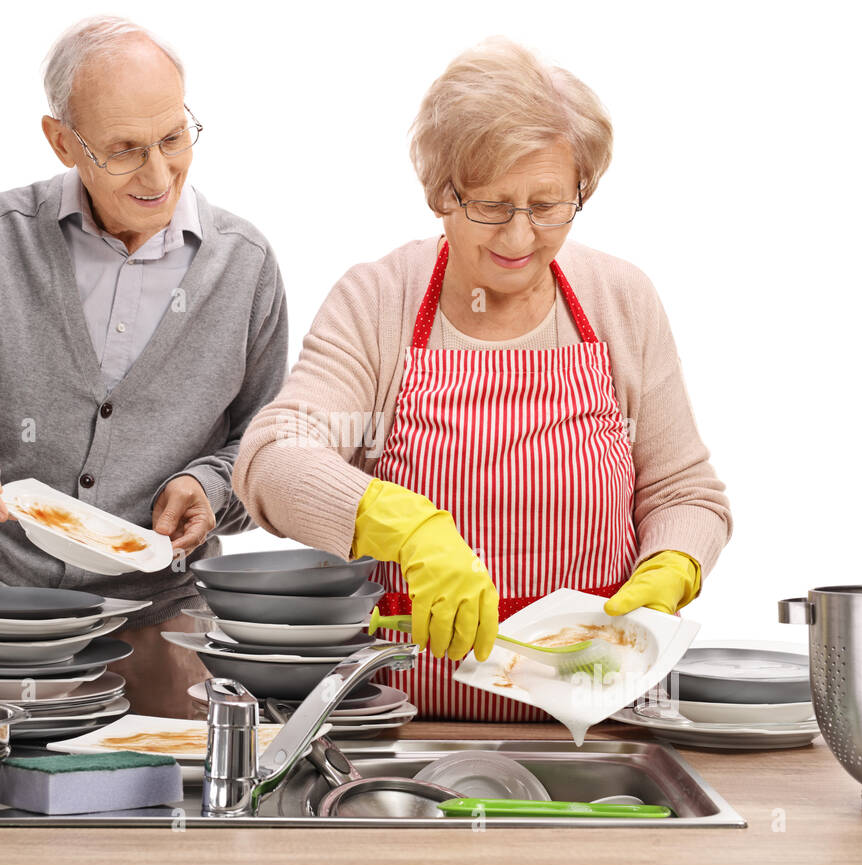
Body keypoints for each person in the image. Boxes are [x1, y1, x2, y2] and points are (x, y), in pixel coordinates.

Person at [233, 37, 730, 720]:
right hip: (407, 735)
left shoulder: (621, 299)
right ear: (442, 191)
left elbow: (686, 491)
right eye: (492, 206)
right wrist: (411, 528)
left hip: (592, 730)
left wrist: (671, 566)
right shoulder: (381, 299)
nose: (520, 237)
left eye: (548, 205)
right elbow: (270, 459)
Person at [0, 16, 288, 717]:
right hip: (1, 628)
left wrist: (212, 486)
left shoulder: (246, 265)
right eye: (124, 151)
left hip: (168, 633)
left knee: (170, 816)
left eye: (173, 139)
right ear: (61, 142)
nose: (160, 173)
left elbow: (267, 444)